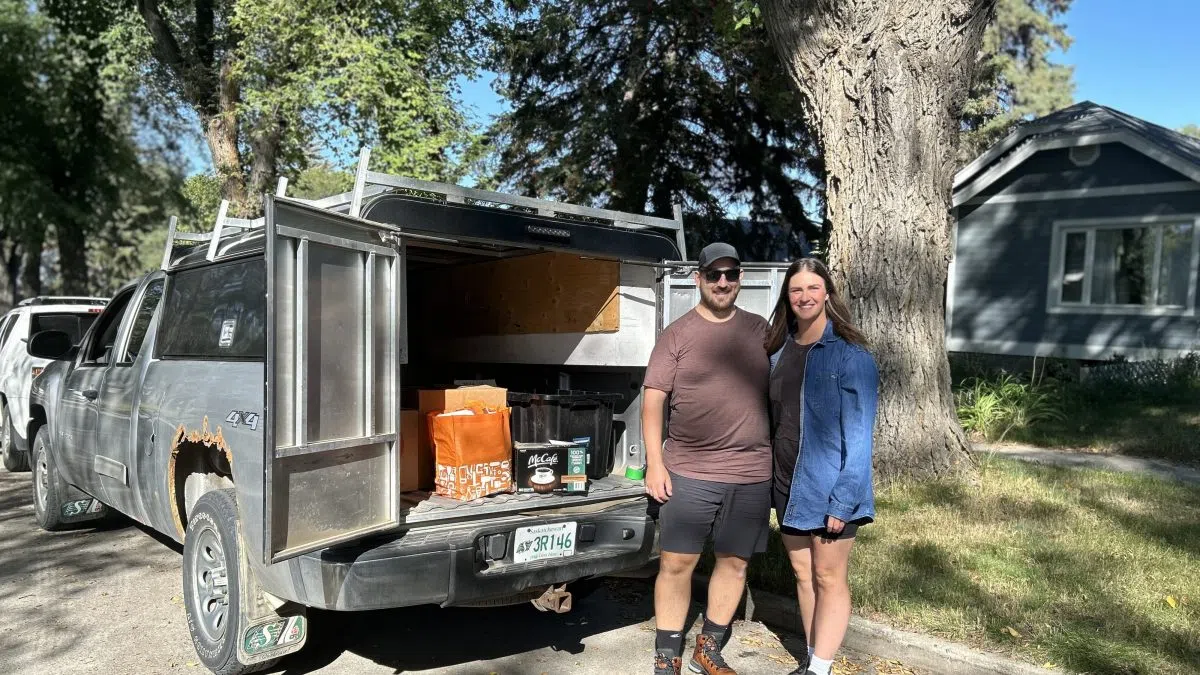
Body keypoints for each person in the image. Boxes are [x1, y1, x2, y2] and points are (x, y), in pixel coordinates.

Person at [642, 242, 773, 675]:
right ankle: (667, 655)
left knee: (735, 563)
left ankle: (708, 648)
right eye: (714, 274)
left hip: (751, 473)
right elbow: (653, 400)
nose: (722, 282)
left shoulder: (760, 331)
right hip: (688, 470)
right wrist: (655, 463)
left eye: (730, 274)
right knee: (676, 563)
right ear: (698, 279)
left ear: (740, 279)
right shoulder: (677, 334)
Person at [764, 258, 878, 675]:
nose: (805, 296)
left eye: (813, 287)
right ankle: (812, 659)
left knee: (829, 577)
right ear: (787, 296)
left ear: (827, 293)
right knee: (802, 573)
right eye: (796, 289)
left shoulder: (851, 355)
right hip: (786, 482)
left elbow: (861, 437)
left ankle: (820, 669)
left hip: (829, 486)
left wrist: (844, 499)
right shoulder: (777, 350)